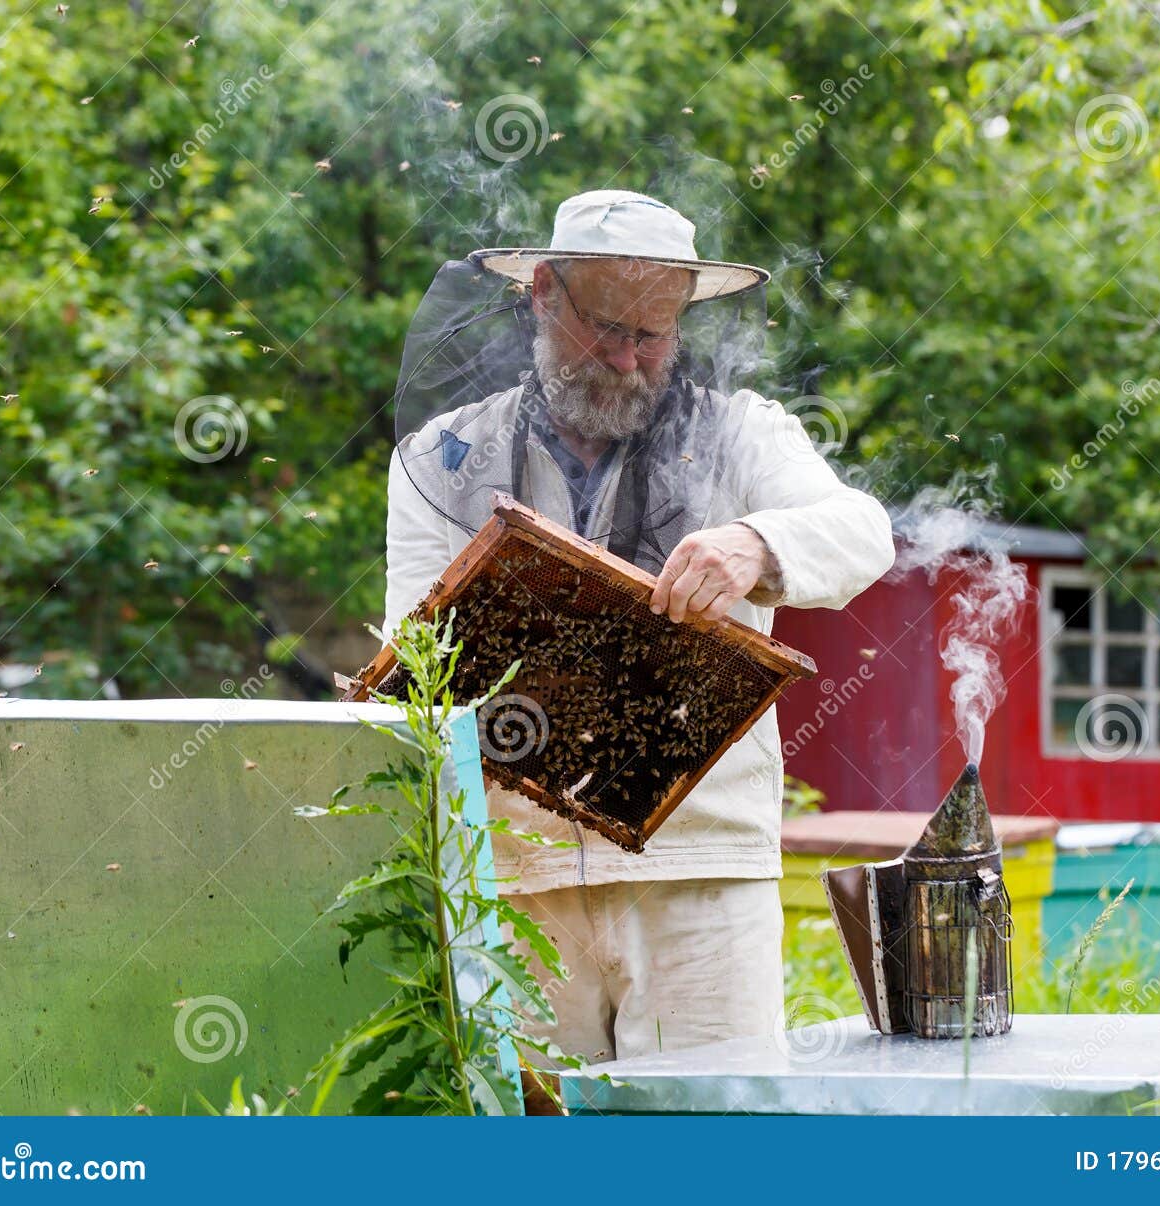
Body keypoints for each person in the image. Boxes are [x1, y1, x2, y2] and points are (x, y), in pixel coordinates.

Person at [383, 189, 894, 1102]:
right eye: (607, 329)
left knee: (714, 1148)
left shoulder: (740, 433)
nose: (628, 360)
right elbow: (418, 658)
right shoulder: (442, 457)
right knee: (532, 1155)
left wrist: (757, 544)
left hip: (700, 870)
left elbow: (860, 530)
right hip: (519, 877)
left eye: (653, 337)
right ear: (542, 293)